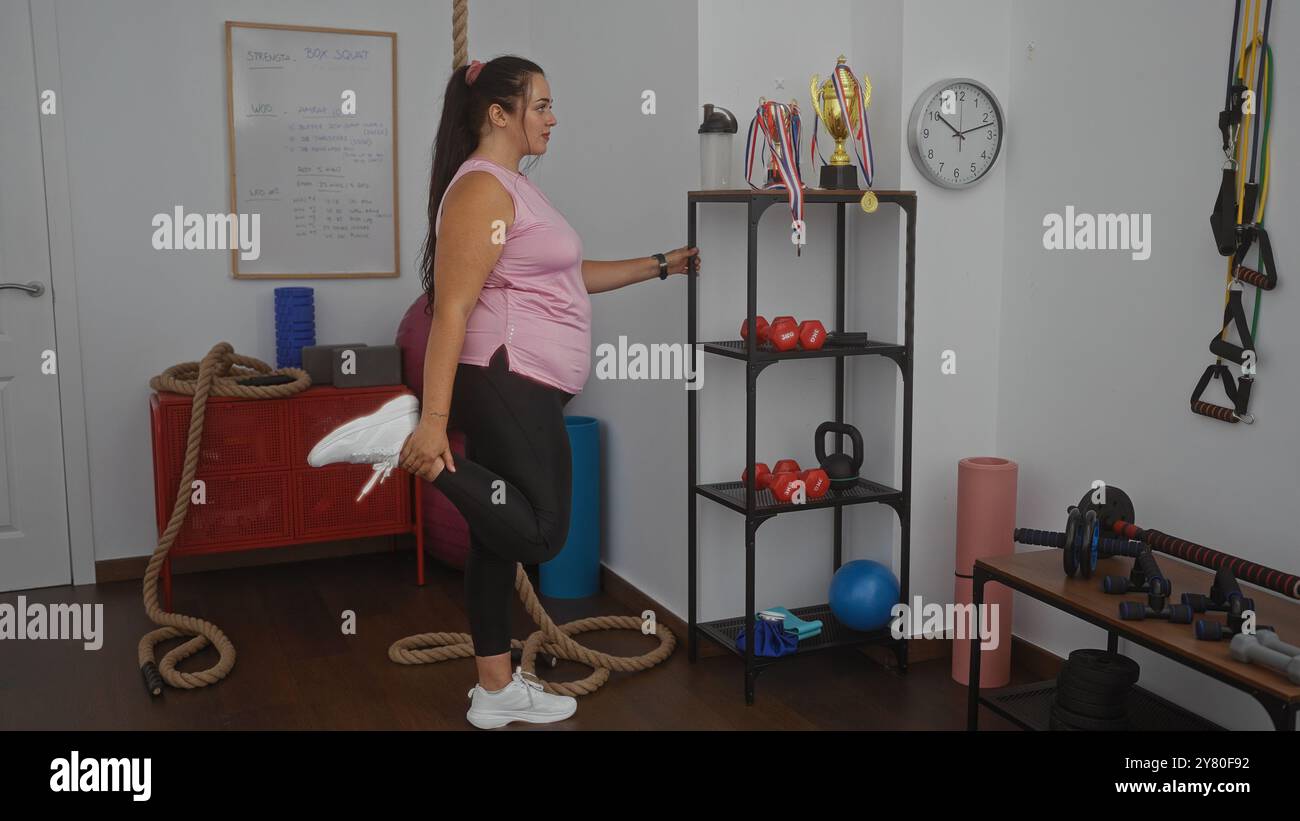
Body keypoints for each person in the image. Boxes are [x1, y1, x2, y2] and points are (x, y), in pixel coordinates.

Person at [398, 56, 699, 728]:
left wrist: (659, 266)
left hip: (523, 381)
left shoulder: (510, 186)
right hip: (508, 378)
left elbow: (567, 277)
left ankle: (495, 689)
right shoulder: (481, 190)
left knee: (495, 540)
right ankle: (419, 450)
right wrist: (433, 422)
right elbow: (451, 309)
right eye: (540, 105)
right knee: (541, 531)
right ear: (498, 113)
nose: (553, 118)